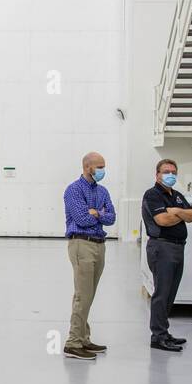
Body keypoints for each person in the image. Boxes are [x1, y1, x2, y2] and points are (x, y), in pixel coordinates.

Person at [63, 151, 115, 361]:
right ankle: (73, 342)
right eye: (99, 166)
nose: (103, 170)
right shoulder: (73, 190)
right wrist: (94, 213)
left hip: (99, 245)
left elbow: (111, 218)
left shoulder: (102, 190)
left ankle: (84, 338)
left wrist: (97, 213)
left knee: (89, 295)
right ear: (87, 167)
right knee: (82, 295)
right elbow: (82, 218)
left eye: (104, 166)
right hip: (81, 244)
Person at [141, 158, 192, 352]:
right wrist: (181, 215)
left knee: (170, 292)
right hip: (161, 248)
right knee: (162, 293)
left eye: (173, 171)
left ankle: (164, 332)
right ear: (157, 174)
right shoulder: (152, 195)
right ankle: (157, 336)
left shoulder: (177, 196)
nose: (170, 175)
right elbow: (163, 220)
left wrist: (177, 211)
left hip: (178, 247)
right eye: (166, 171)